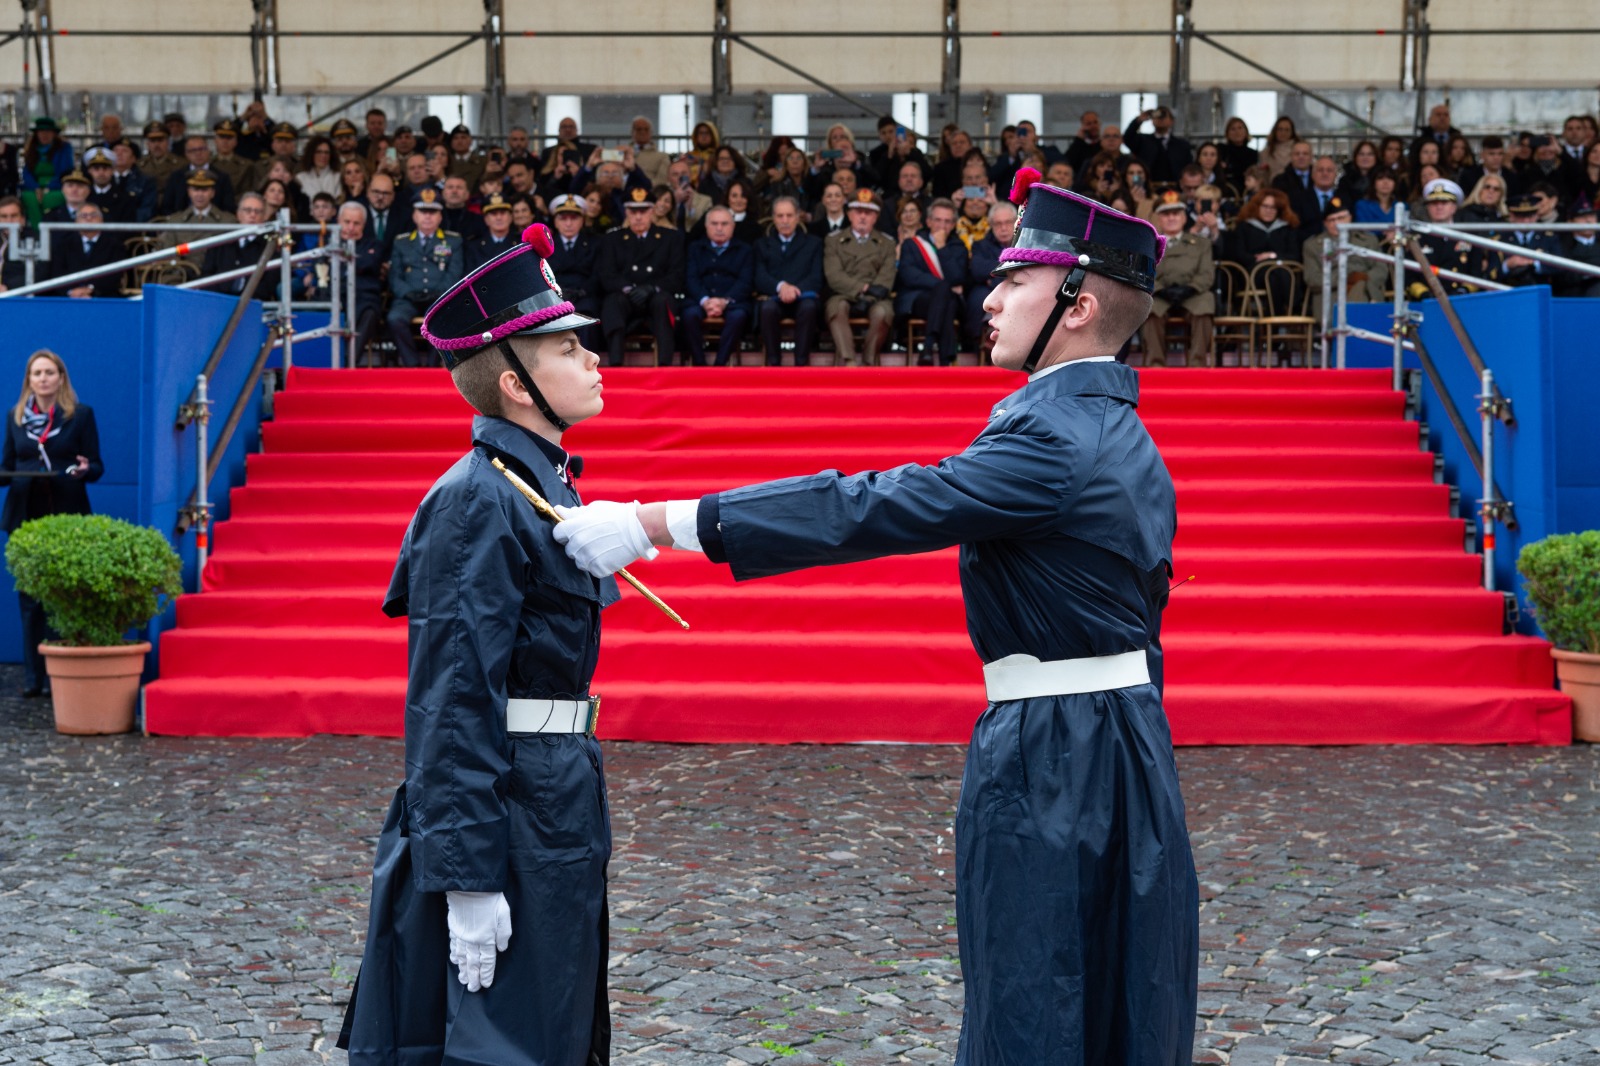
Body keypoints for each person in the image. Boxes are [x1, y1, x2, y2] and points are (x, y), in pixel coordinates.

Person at [552, 171, 1199, 1066]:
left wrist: (652, 523)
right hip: (1121, 741)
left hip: (1058, 753)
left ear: (1078, 305)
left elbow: (871, 507)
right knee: (1121, 991)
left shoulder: (1052, 437)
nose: (994, 296)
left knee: (1032, 995)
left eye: (1018, 281)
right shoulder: (1117, 430)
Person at [337, 224, 617, 1065]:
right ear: (516, 383)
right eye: (568, 349)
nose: (594, 361)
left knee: (555, 1029)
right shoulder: (477, 503)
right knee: (500, 1045)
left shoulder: (535, 489)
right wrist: (465, 876)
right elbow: (453, 696)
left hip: (554, 795)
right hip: (511, 810)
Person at [2, 350, 104, 698]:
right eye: (36, 373)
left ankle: (69, 670)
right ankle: (34, 678)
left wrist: (85, 469)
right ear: (28, 380)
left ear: (61, 377)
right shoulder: (14, 418)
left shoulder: (81, 416)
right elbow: (7, 464)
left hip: (66, 514)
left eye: (49, 372)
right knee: (30, 600)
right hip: (24, 516)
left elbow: (97, 465)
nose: (43, 379)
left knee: (66, 596)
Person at [595, 186, 684, 366]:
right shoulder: (613, 239)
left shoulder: (670, 238)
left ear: (652, 211)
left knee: (663, 301)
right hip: (626, 296)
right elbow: (607, 275)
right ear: (626, 211)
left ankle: (665, 366)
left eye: (643, 211)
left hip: (655, 296)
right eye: (633, 211)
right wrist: (629, 289)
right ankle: (615, 365)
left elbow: (677, 274)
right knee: (612, 302)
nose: (638, 216)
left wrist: (652, 288)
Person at [386, 189, 464, 367]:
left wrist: (441, 294)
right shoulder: (402, 241)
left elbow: (455, 273)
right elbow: (394, 276)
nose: (427, 217)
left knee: (442, 320)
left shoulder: (453, 241)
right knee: (394, 319)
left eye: (432, 212)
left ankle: (432, 364)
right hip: (408, 299)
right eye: (423, 211)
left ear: (440, 216)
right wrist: (408, 293)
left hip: (439, 299)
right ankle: (411, 364)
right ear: (414, 215)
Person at [822, 189, 896, 366]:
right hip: (844, 293)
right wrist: (863, 288)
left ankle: (869, 360)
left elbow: (886, 277)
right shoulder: (833, 240)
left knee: (883, 312)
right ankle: (849, 360)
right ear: (849, 215)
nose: (863, 217)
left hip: (876, 297)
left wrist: (870, 295)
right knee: (836, 308)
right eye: (858, 212)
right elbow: (834, 276)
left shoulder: (887, 243)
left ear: (876, 217)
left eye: (868, 213)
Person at [1141, 190, 1214, 366]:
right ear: (1159, 219)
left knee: (1205, 302)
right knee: (1148, 308)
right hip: (1160, 294)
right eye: (1166, 214)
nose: (1171, 218)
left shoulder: (1201, 244)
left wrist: (1190, 289)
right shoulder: (1148, 245)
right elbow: (1143, 273)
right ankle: (1155, 365)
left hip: (1191, 293)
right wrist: (1160, 290)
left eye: (1176, 213)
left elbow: (1206, 274)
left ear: (1184, 218)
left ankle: (1197, 365)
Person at [895, 197, 966, 365]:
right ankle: (945, 359)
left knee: (945, 300)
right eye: (938, 220)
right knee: (944, 294)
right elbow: (909, 275)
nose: (942, 226)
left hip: (947, 302)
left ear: (954, 224)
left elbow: (958, 277)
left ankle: (928, 347)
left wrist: (941, 248)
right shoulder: (912, 244)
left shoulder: (958, 247)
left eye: (948, 221)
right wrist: (942, 285)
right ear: (928, 221)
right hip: (918, 300)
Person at [753, 196, 823, 367]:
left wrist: (794, 290)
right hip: (774, 298)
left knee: (809, 307)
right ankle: (773, 363)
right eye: (780, 216)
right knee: (767, 308)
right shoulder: (761, 244)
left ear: (798, 217)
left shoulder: (813, 243)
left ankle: (801, 364)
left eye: (789, 215)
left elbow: (816, 277)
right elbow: (759, 277)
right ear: (773, 218)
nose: (785, 221)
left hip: (803, 297)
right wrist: (781, 287)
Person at [1301, 197, 1389, 322]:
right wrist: (1347, 277)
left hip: (1369, 292)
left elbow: (1381, 269)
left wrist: (1363, 278)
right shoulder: (1313, 245)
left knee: (1360, 286)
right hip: (1332, 298)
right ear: (1325, 224)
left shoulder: (1369, 240)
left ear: (1350, 218)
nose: (1337, 224)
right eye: (1332, 220)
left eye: (1341, 218)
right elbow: (1312, 278)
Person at [546, 196, 602, 351]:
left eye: (574, 218)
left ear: (582, 220)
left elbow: (599, 274)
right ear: (556, 222)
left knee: (588, 316)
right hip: (555, 298)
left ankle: (589, 364)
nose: (568, 223)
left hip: (585, 295)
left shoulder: (595, 243)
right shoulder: (546, 245)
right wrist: (558, 292)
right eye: (563, 218)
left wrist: (582, 291)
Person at [963, 201, 1016, 354]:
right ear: (991, 225)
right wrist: (1011, 266)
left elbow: (1028, 269)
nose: (1003, 228)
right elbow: (978, 270)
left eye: (1008, 222)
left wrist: (993, 277)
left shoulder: (1025, 244)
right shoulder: (980, 245)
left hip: (1017, 290)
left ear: (1016, 223)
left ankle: (994, 333)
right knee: (978, 297)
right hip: (990, 292)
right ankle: (986, 338)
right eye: (998, 224)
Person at [22, 117, 74, 226]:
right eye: (41, 132)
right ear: (36, 134)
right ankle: (38, 231)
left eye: (48, 132)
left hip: (57, 185)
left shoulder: (64, 148)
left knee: (52, 198)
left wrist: (48, 188)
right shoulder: (31, 149)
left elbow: (65, 171)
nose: (44, 135)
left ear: (54, 134)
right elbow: (27, 172)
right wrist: (35, 188)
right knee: (29, 198)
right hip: (35, 187)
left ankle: (51, 231)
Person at [1123, 106, 1193, 184]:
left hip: (1175, 187)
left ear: (1171, 121)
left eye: (1164, 116)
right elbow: (1127, 138)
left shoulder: (1182, 146)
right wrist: (1139, 120)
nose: (1161, 119)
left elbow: (1189, 168)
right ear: (1152, 120)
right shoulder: (1143, 141)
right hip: (1147, 185)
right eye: (1157, 116)